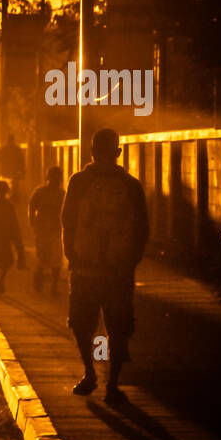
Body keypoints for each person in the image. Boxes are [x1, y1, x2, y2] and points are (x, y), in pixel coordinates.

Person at [61, 127, 148, 404]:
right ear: (118, 152)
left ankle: (89, 374)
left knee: (82, 324)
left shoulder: (78, 181)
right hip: (118, 272)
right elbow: (142, 229)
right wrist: (130, 262)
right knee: (119, 326)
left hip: (85, 270)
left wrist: (72, 258)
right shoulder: (132, 186)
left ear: (91, 152)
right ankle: (113, 384)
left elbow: (67, 221)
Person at [28, 166, 66, 294]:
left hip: (54, 231)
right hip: (44, 230)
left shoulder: (62, 194)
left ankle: (53, 285)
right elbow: (32, 207)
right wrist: (32, 222)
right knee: (43, 257)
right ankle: (40, 281)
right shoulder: (41, 192)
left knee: (55, 260)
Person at [0, 133, 26, 200]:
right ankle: (14, 197)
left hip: (6, 172)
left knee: (6, 186)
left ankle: (6, 198)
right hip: (15, 172)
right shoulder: (17, 149)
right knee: (15, 186)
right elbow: (21, 161)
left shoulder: (4, 149)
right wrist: (22, 170)